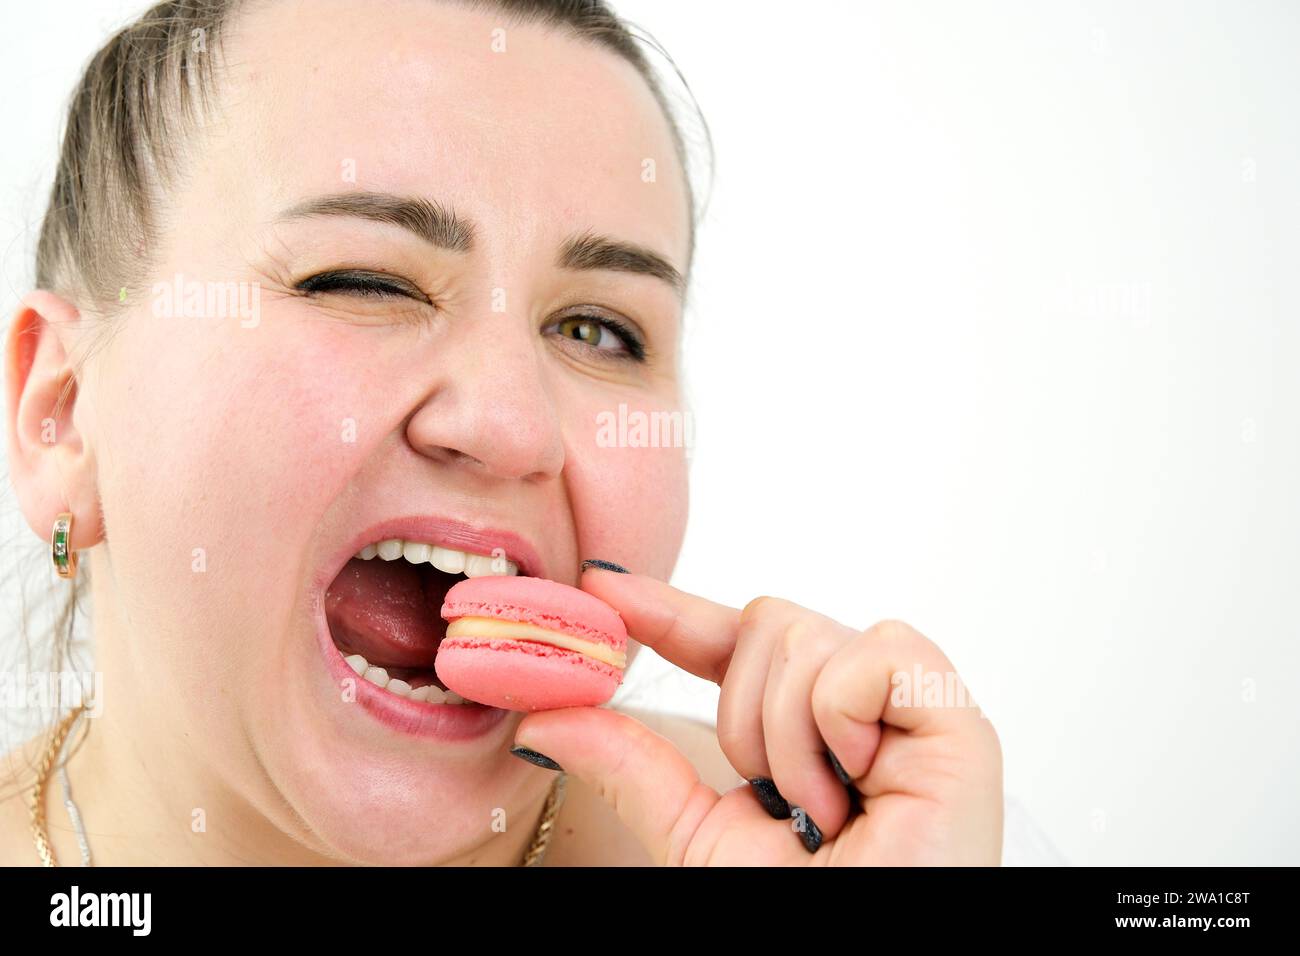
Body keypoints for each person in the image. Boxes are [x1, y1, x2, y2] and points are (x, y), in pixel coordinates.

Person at [0, 0, 1004, 866]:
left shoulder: (814, 842)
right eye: (365, 281)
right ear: (64, 416)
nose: (513, 425)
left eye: (597, 329)